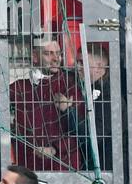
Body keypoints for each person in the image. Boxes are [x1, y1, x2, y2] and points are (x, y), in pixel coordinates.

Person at [9, 39, 82, 172]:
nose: (56, 59)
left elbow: (81, 131)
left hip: (64, 168)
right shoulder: (19, 87)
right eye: (49, 54)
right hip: (29, 168)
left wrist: (55, 148)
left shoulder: (71, 85)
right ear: (35, 57)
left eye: (58, 54)